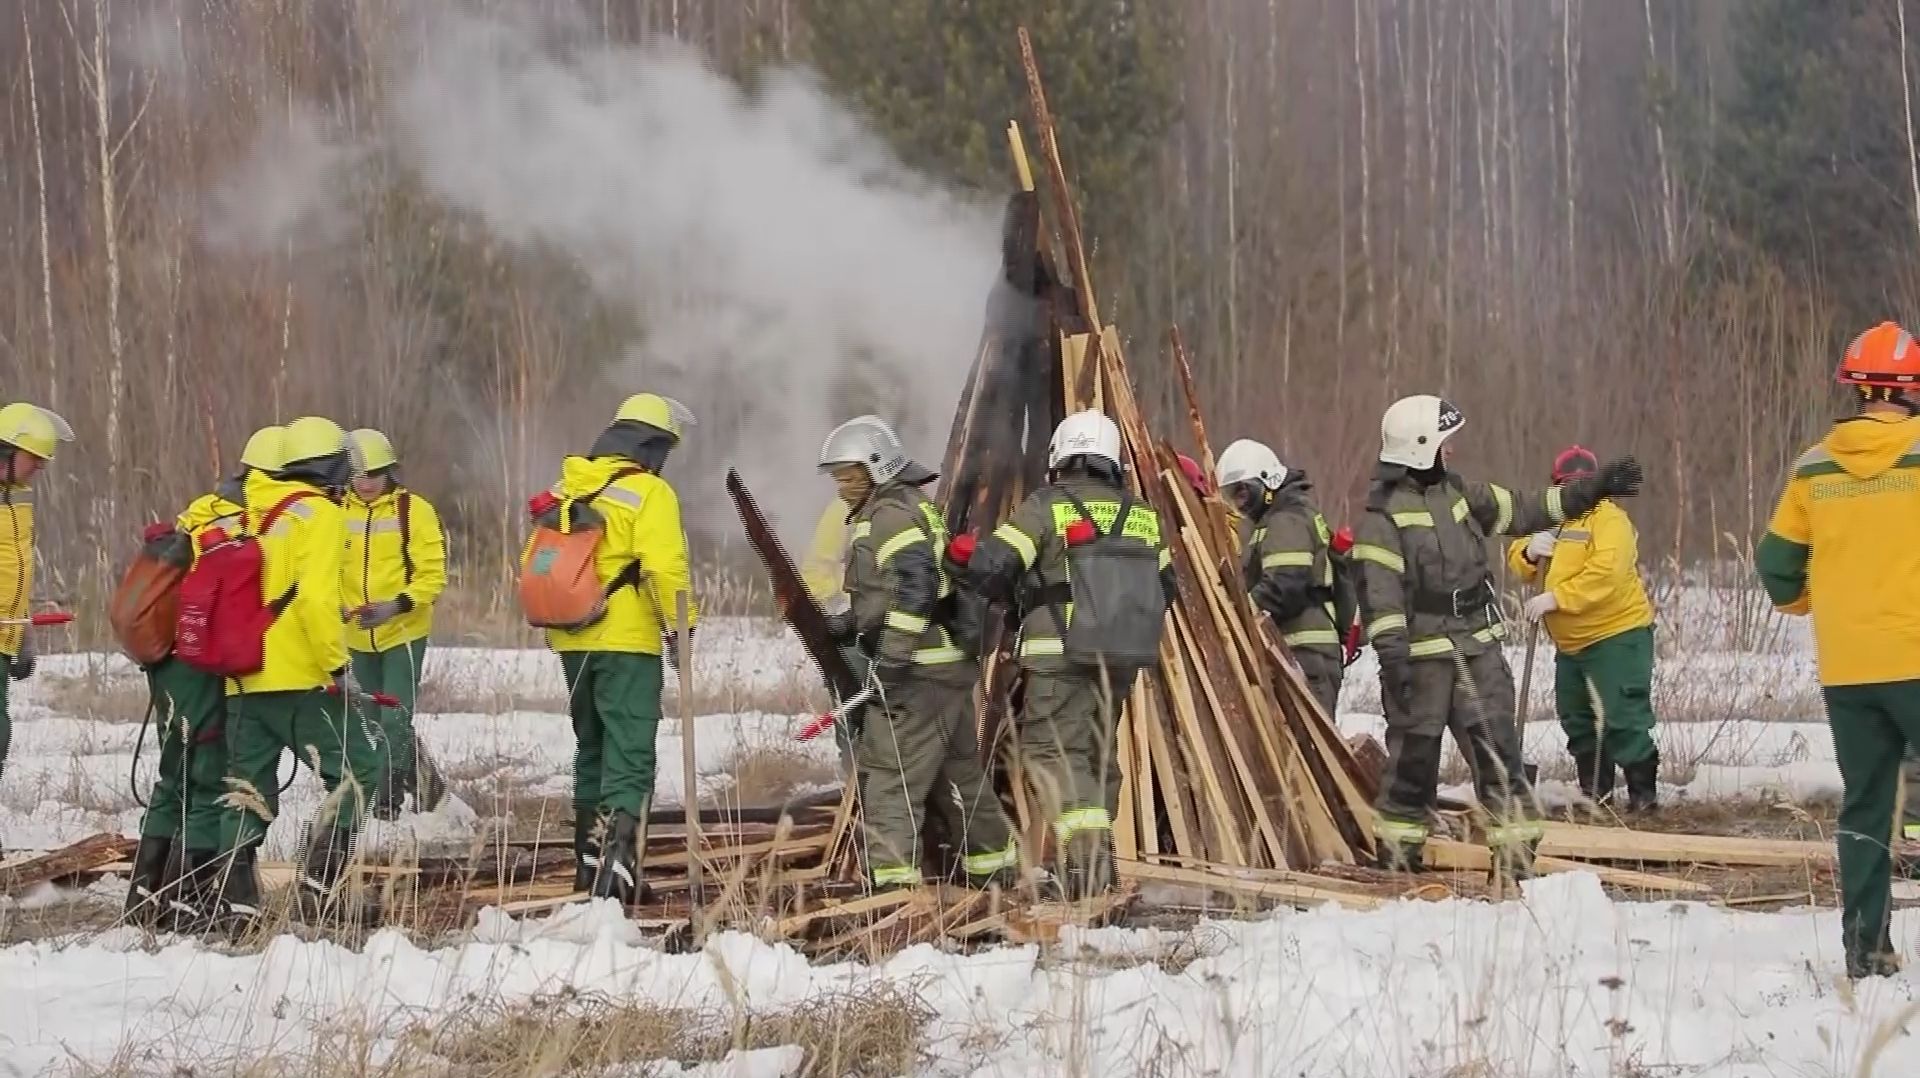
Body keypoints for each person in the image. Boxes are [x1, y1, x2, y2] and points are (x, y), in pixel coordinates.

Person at [1351, 395, 1640, 879]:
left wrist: (1588, 492)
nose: (1452, 452)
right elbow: (1380, 598)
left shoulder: (1462, 495)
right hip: (1421, 662)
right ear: (1422, 448)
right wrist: (1393, 660)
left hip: (1478, 649)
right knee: (1411, 768)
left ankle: (1515, 870)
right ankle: (1400, 871)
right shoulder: (1382, 519)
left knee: (1500, 757)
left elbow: (1527, 507)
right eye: (1445, 444)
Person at [1757, 320, 1920, 979]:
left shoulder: (1815, 466)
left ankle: (1867, 953)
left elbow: (1775, 566)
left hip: (1850, 669)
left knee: (1867, 806)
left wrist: (1811, 602)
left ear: (1855, 390)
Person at [962, 410, 1178, 899]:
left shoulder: (1047, 506)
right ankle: (1097, 865)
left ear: (1060, 456)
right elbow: (1169, 586)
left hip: (1057, 656)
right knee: (1098, 759)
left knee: (1050, 755)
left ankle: (1085, 870)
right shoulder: (1142, 515)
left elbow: (994, 564)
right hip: (1120, 660)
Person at [816, 415, 1017, 893]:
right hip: (945, 667)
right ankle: (996, 873)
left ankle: (891, 898)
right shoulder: (910, 507)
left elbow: (917, 586)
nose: (841, 488)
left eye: (848, 476)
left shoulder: (887, 516)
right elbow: (904, 588)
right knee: (961, 776)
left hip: (918, 673)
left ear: (877, 468)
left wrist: (891, 659)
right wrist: (849, 625)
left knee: (889, 778)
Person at [204, 415, 382, 932]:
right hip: (299, 675)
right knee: (360, 770)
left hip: (242, 677)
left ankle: (236, 909)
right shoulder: (318, 515)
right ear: (326, 466)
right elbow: (314, 600)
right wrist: (339, 666)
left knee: (245, 788)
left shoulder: (249, 513)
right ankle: (318, 892)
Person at [540, 393, 697, 905]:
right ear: (652, 446)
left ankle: (589, 870)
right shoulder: (648, 491)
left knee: (592, 749)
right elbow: (664, 567)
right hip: (627, 640)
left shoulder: (568, 486)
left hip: (571, 635)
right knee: (629, 754)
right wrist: (682, 627)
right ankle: (619, 874)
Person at [125, 426, 284, 929]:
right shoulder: (248, 528)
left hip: (167, 667)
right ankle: (194, 902)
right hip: (202, 670)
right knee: (211, 781)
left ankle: (145, 898)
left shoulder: (194, 517)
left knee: (172, 780)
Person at [1507, 445, 1661, 811]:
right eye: (1566, 485)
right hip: (1571, 645)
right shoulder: (1551, 518)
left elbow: (1606, 574)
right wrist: (1528, 552)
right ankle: (1596, 793)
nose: (1574, 492)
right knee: (1578, 719)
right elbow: (1517, 559)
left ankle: (1644, 796)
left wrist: (1557, 598)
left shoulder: (1610, 521)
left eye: (1582, 485)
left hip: (1617, 636)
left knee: (1621, 718)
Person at [342, 428, 448, 819]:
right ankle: (430, 790)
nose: (366, 483)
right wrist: (335, 606)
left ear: (390, 471)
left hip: (403, 631)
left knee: (394, 717)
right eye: (359, 474)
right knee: (371, 722)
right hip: (355, 636)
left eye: (375, 473)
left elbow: (433, 574)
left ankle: (387, 806)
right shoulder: (336, 513)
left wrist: (397, 606)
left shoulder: (414, 511)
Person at [1214, 438, 1344, 717]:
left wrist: (1237, 615)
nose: (1240, 504)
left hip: (1306, 652)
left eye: (1243, 493)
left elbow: (1285, 585)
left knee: (1311, 750)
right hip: (1296, 652)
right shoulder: (1275, 520)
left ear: (1266, 481)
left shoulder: (1286, 520)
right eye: (1233, 496)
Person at [0, 402, 72, 857]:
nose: (42, 466)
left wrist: (20, 632)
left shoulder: (17, 497)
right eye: (35, 457)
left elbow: (13, 570)